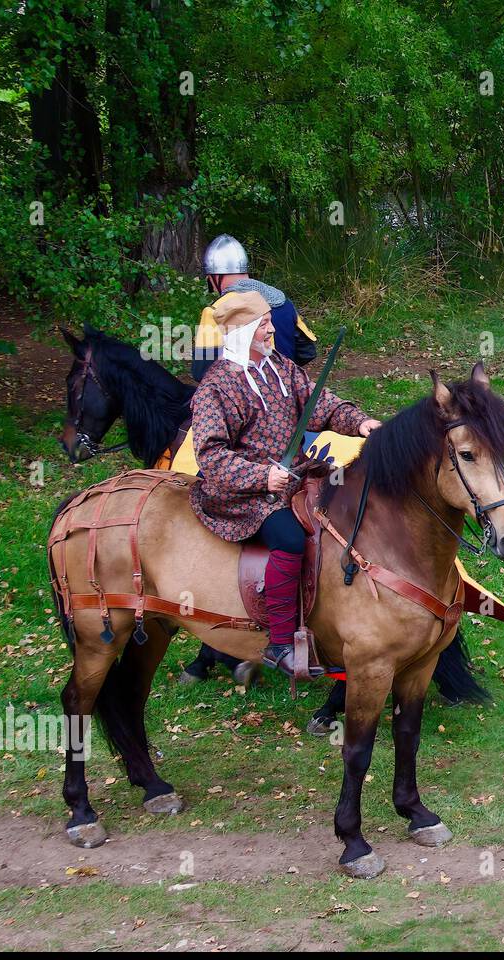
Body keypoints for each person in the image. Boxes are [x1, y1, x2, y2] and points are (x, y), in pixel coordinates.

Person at [188, 290, 382, 676]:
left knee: (345, 505)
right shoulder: (215, 388)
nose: (270, 330)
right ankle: (280, 642)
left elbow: (319, 403)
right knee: (291, 538)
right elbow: (210, 456)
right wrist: (263, 476)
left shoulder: (280, 366)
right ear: (240, 332)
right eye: (261, 325)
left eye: (268, 323)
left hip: (293, 476)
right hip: (244, 492)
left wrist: (359, 422)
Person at [193, 234, 318, 382]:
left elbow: (201, 372)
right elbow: (307, 352)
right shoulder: (282, 301)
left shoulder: (215, 311)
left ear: (214, 278)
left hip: (248, 400)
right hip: (288, 392)